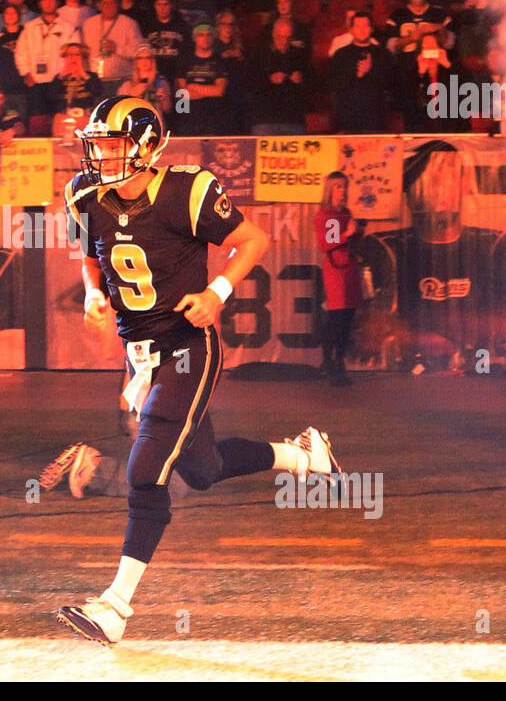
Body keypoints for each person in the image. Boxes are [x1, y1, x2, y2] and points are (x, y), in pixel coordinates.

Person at [55, 96, 342, 644]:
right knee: (202, 469)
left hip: (188, 345)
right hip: (138, 354)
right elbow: (91, 254)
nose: (102, 156)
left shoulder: (187, 191)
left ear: (143, 145)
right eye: (98, 145)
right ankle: (303, 455)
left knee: (146, 467)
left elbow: (253, 239)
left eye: (113, 145)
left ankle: (115, 606)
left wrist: (217, 291)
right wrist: (94, 293)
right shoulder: (84, 195)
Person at [316, 171, 364, 387]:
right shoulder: (326, 214)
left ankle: (338, 361)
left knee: (347, 318)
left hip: (349, 267)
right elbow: (328, 243)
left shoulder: (345, 212)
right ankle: (330, 362)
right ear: (330, 189)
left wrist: (358, 232)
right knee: (337, 318)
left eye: (344, 186)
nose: (342, 191)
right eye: (338, 187)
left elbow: (347, 241)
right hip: (336, 269)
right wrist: (349, 233)